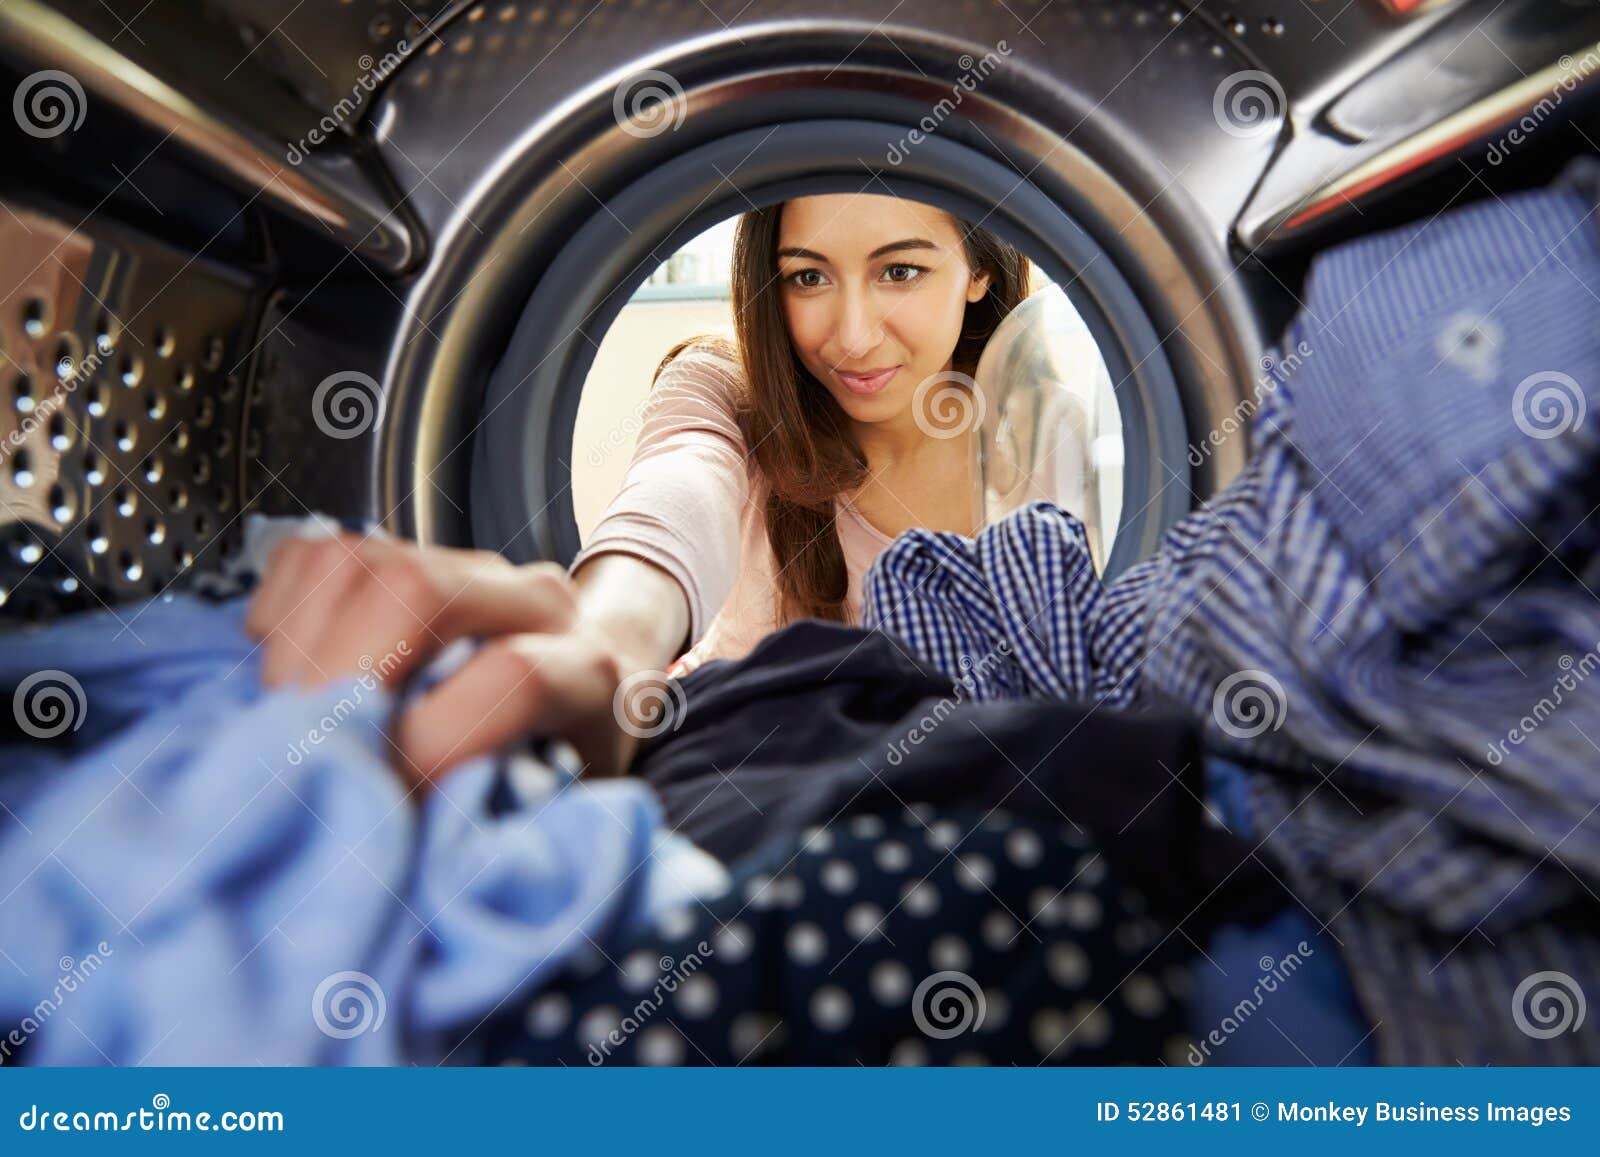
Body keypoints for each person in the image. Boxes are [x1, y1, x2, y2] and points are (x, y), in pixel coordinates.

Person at [245, 193, 1029, 787]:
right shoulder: (724, 385)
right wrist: (603, 645)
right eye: (808, 276)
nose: (852, 335)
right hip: (737, 778)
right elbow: (675, 494)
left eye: (900, 270)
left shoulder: (1043, 422)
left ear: (978, 269)